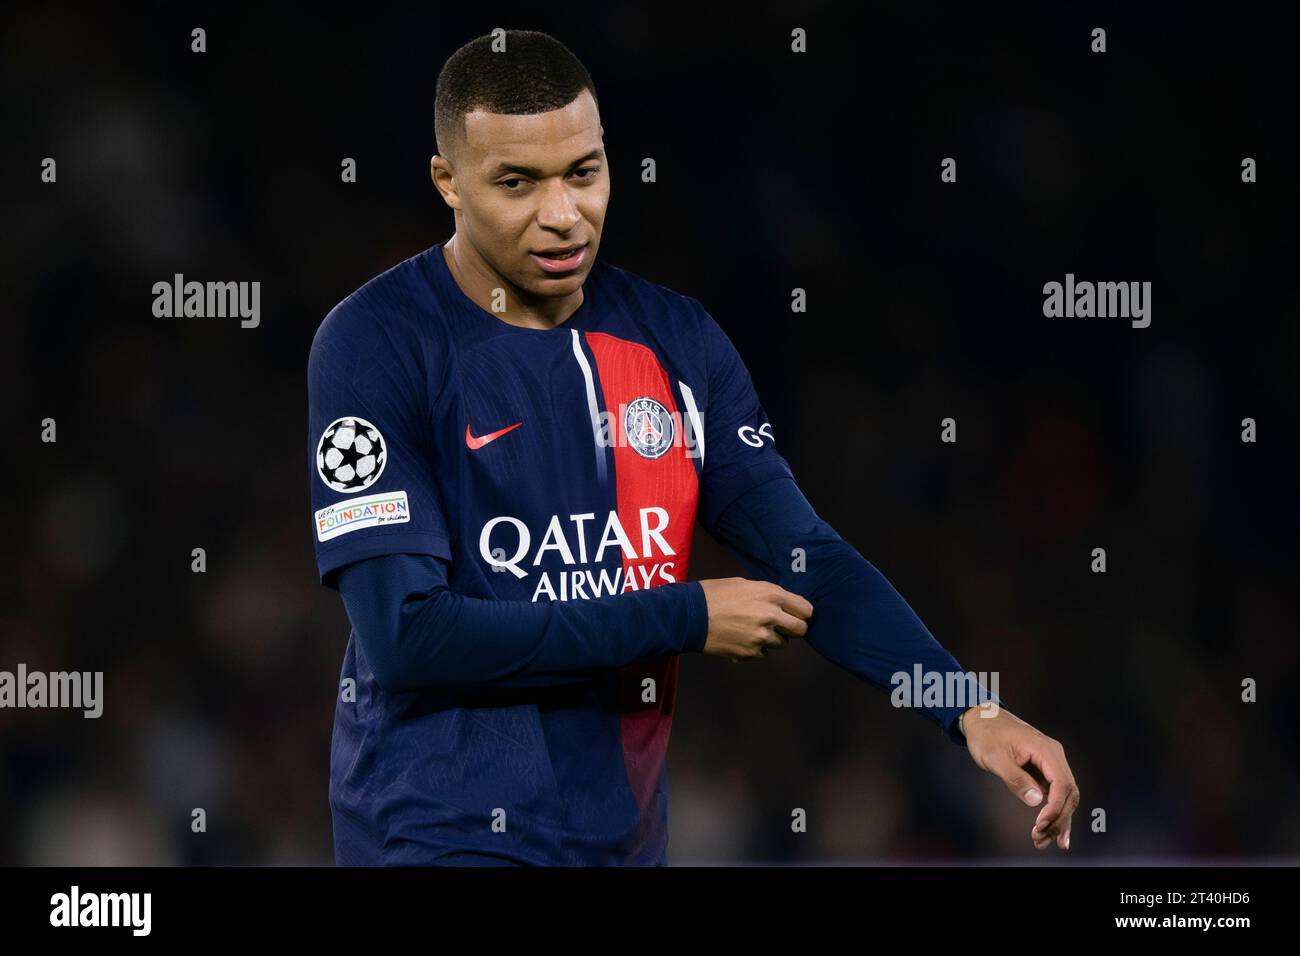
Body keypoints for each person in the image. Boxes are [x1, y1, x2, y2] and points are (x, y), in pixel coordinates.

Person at [307, 29, 1078, 865]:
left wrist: (968, 707)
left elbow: (804, 556)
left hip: (621, 842)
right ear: (448, 182)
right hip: (432, 836)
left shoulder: (675, 341)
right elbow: (407, 638)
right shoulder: (376, 342)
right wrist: (683, 615)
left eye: (584, 173)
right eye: (517, 183)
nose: (563, 213)